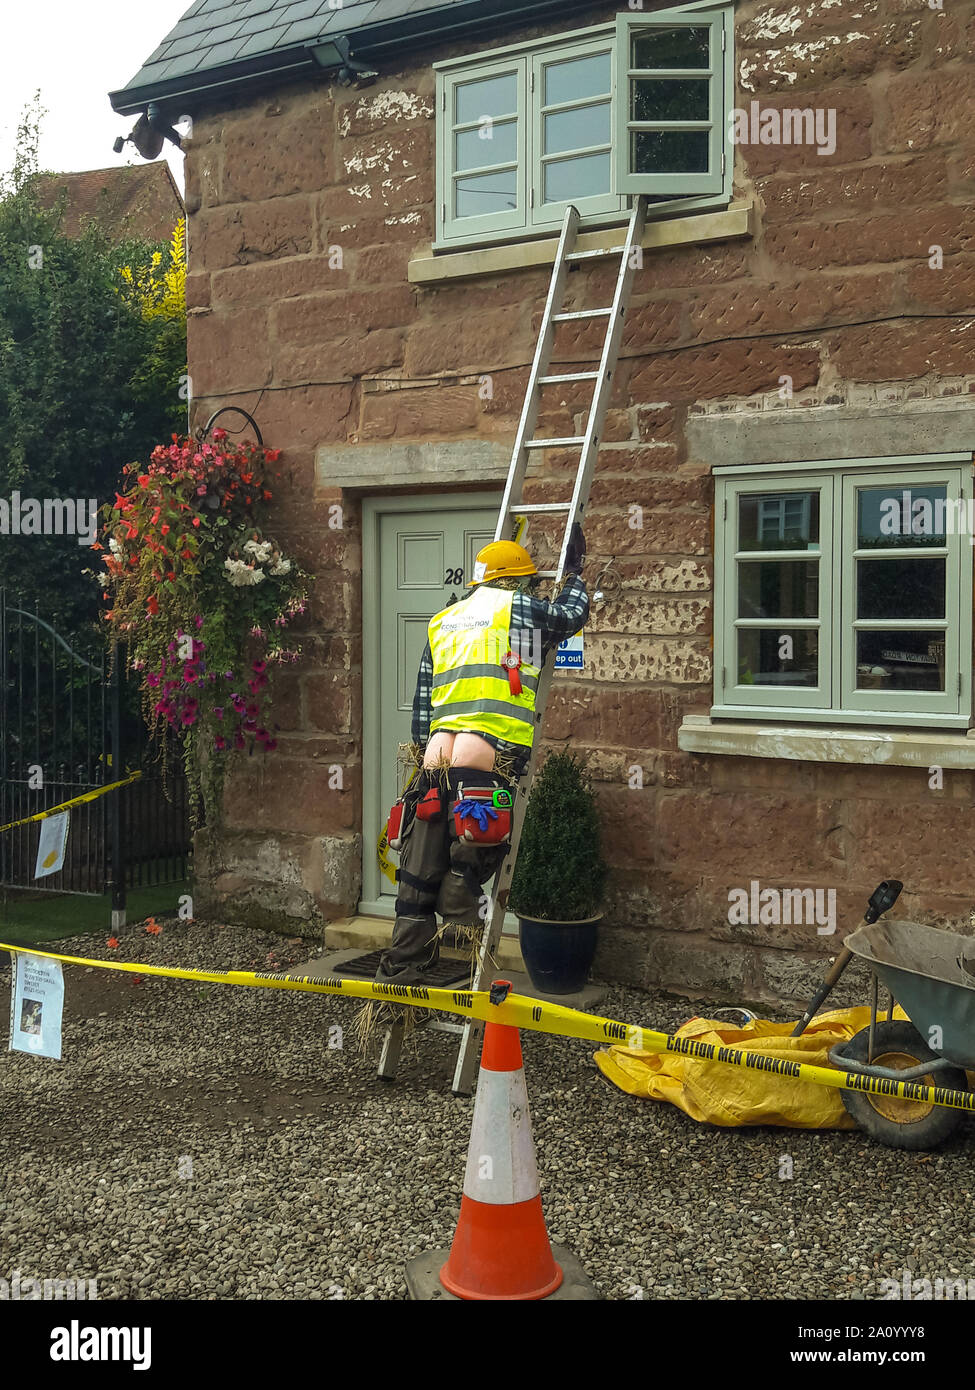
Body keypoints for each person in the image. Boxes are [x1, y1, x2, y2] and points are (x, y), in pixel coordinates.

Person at [376, 526, 590, 992]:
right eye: (529, 582)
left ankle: (400, 978)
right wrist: (574, 574)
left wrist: (421, 759)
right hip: (485, 751)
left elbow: (422, 704)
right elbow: (570, 617)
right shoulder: (517, 608)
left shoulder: (443, 619)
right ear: (515, 582)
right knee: (472, 845)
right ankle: (460, 905)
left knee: (416, 874)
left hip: (435, 756)